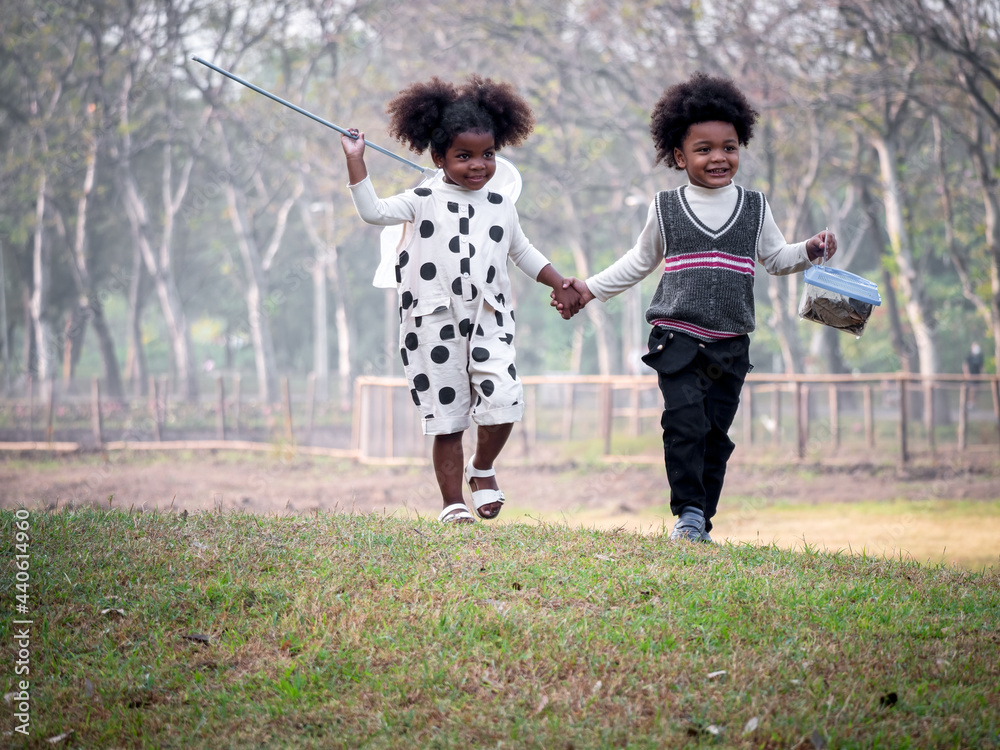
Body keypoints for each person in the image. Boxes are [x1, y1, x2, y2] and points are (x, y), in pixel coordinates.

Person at [554, 72, 836, 542]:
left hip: (730, 343)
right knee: (683, 424)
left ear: (740, 147)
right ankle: (686, 513)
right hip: (677, 338)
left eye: (729, 146)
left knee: (715, 435)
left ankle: (701, 518)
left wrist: (810, 248)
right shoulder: (665, 208)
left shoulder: (754, 206)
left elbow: (776, 259)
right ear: (679, 156)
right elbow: (638, 262)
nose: (718, 157)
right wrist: (587, 290)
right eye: (703, 149)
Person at [342, 75, 582, 524]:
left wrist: (558, 281)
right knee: (448, 419)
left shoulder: (500, 203)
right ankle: (453, 503)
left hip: (490, 320)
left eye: (487, 155)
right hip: (433, 323)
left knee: (506, 399)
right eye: (464, 156)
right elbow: (372, 212)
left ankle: (483, 468)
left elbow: (523, 251)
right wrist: (357, 161)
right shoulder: (422, 198)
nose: (479, 165)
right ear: (439, 157)